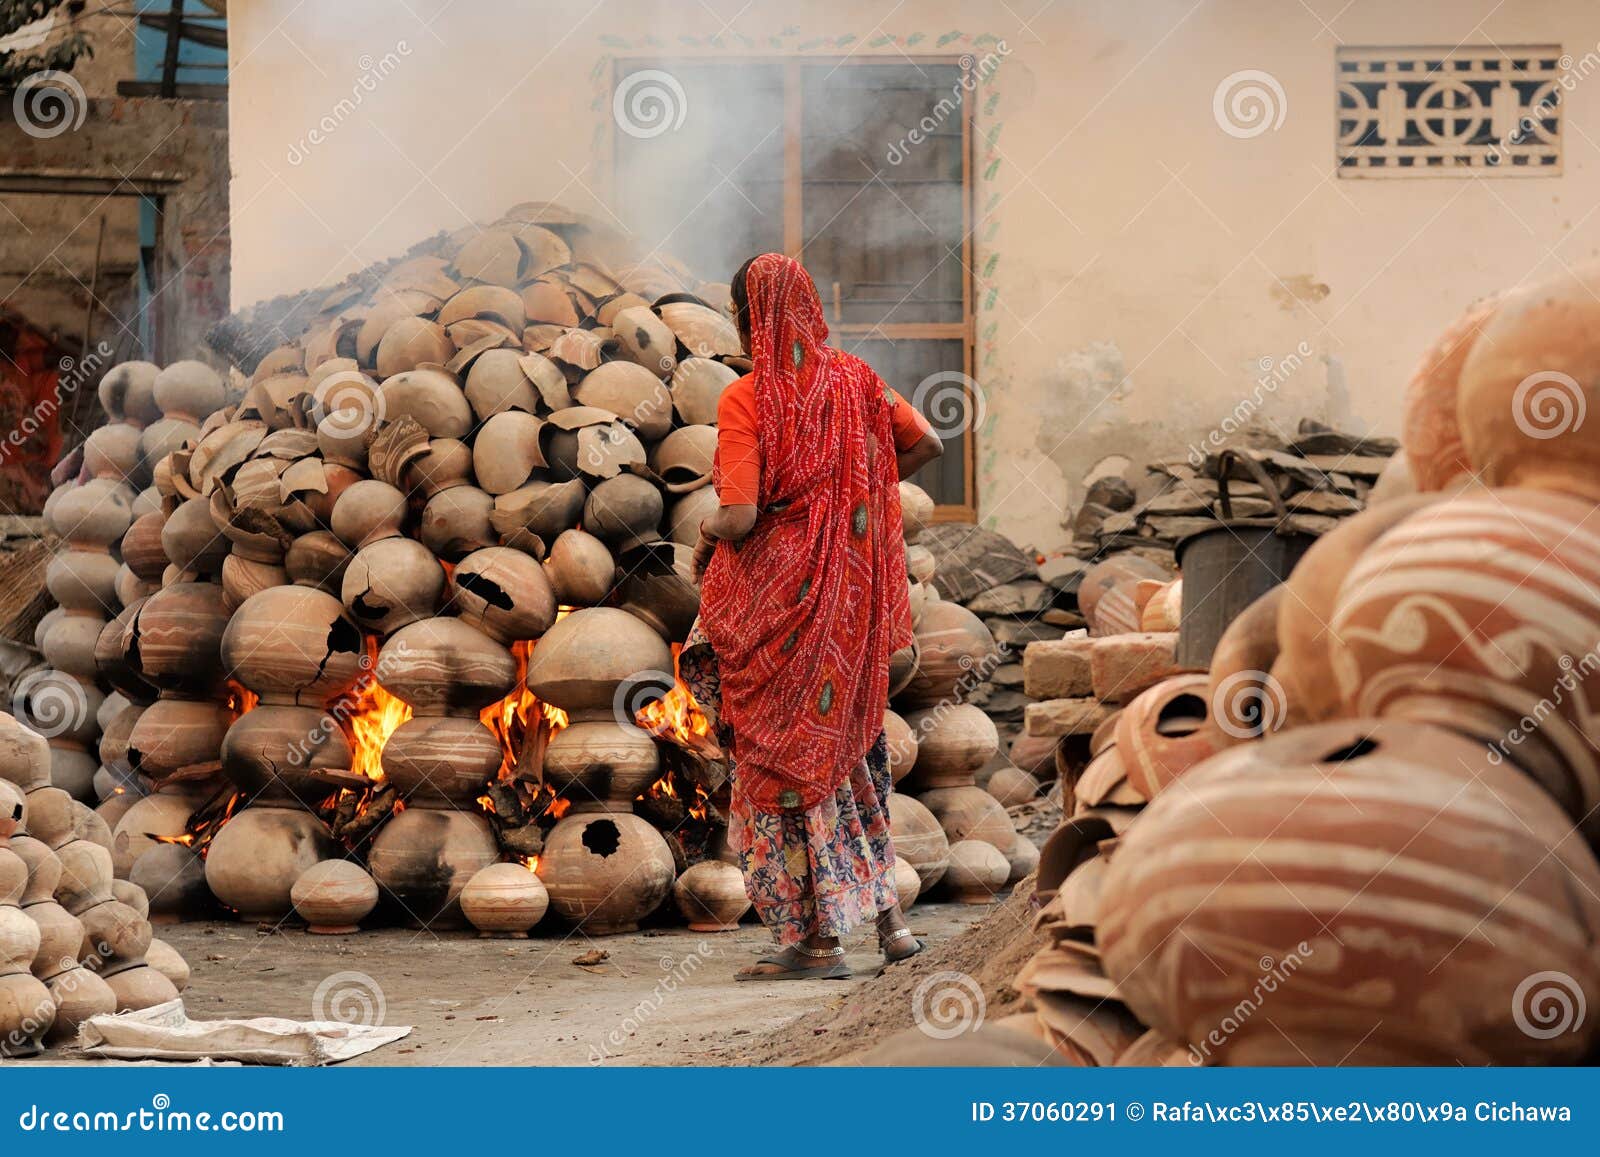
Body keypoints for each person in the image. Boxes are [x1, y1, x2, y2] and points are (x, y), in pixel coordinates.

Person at [681, 252, 944, 980]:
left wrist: (702, 532)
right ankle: (891, 925)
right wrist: (859, 487)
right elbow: (927, 442)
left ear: (747, 319)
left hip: (772, 608)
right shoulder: (858, 380)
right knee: (850, 753)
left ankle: (817, 942)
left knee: (782, 761)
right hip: (849, 602)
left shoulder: (748, 398)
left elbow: (738, 515)